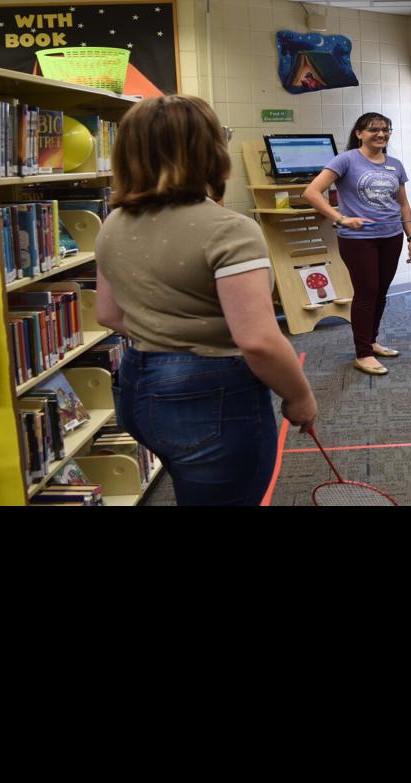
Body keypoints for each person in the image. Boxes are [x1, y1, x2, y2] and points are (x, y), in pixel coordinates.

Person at [96, 94, 317, 505]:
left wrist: (169, 333)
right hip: (210, 395)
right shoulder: (230, 229)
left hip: (137, 387)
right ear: (209, 150)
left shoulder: (113, 222)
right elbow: (258, 340)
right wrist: (299, 396)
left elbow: (107, 313)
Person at [301, 112, 411, 375]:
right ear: (359, 134)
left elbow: (402, 204)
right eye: (374, 129)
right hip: (358, 240)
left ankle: (371, 341)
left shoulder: (395, 165)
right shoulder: (346, 160)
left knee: (380, 292)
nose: (381, 134)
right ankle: (362, 353)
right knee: (367, 291)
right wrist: (341, 218)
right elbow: (310, 192)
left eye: (386, 129)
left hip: (391, 236)